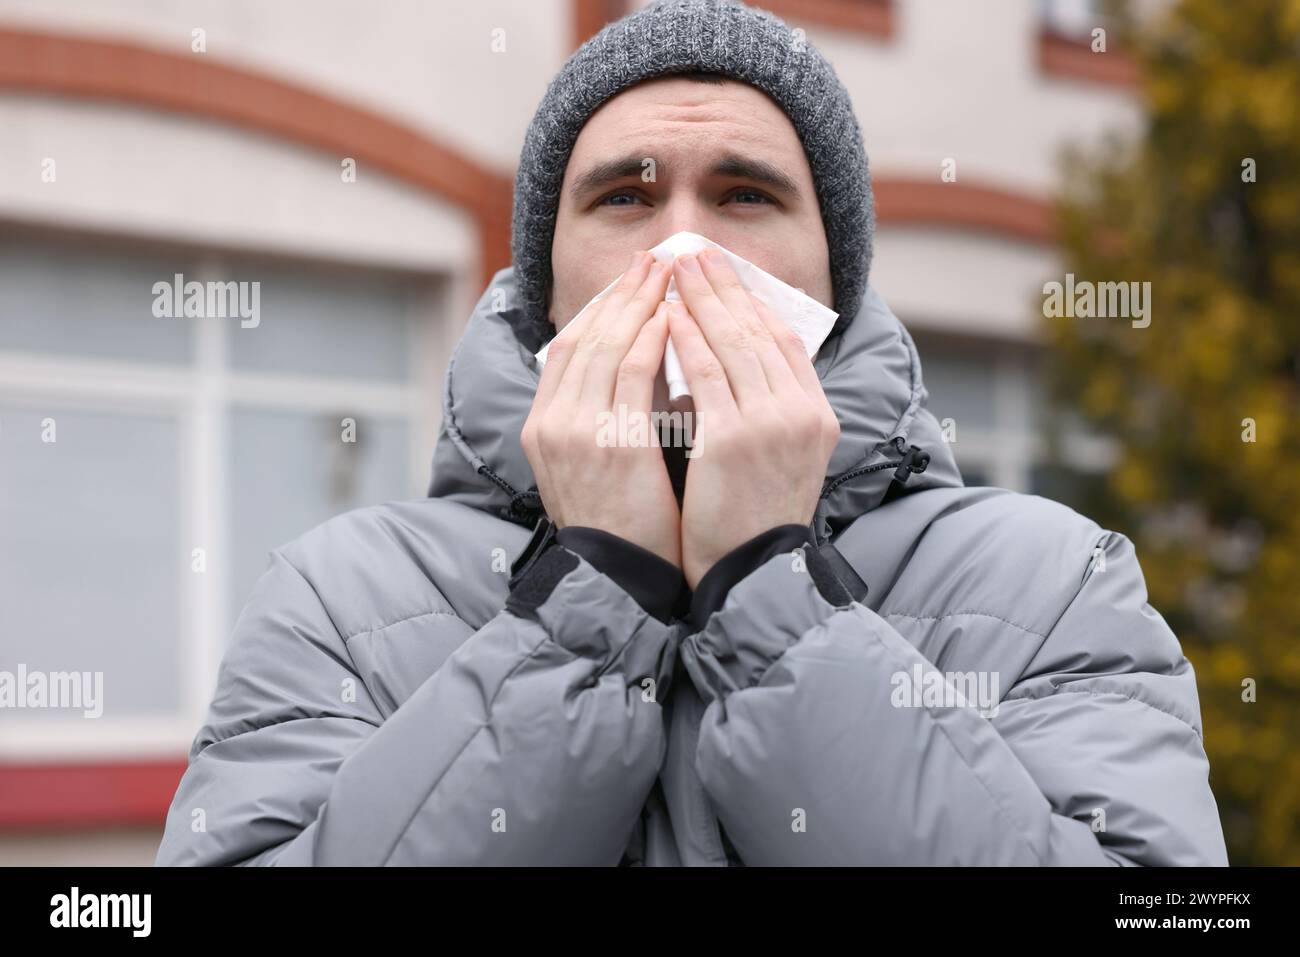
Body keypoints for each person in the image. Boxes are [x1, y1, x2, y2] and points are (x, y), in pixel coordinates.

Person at [155, 0, 1228, 866]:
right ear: (545, 282)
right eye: (624, 196)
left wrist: (774, 585)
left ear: (835, 278)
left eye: (745, 194)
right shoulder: (340, 601)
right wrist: (589, 596)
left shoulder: (1050, 586)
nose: (681, 248)